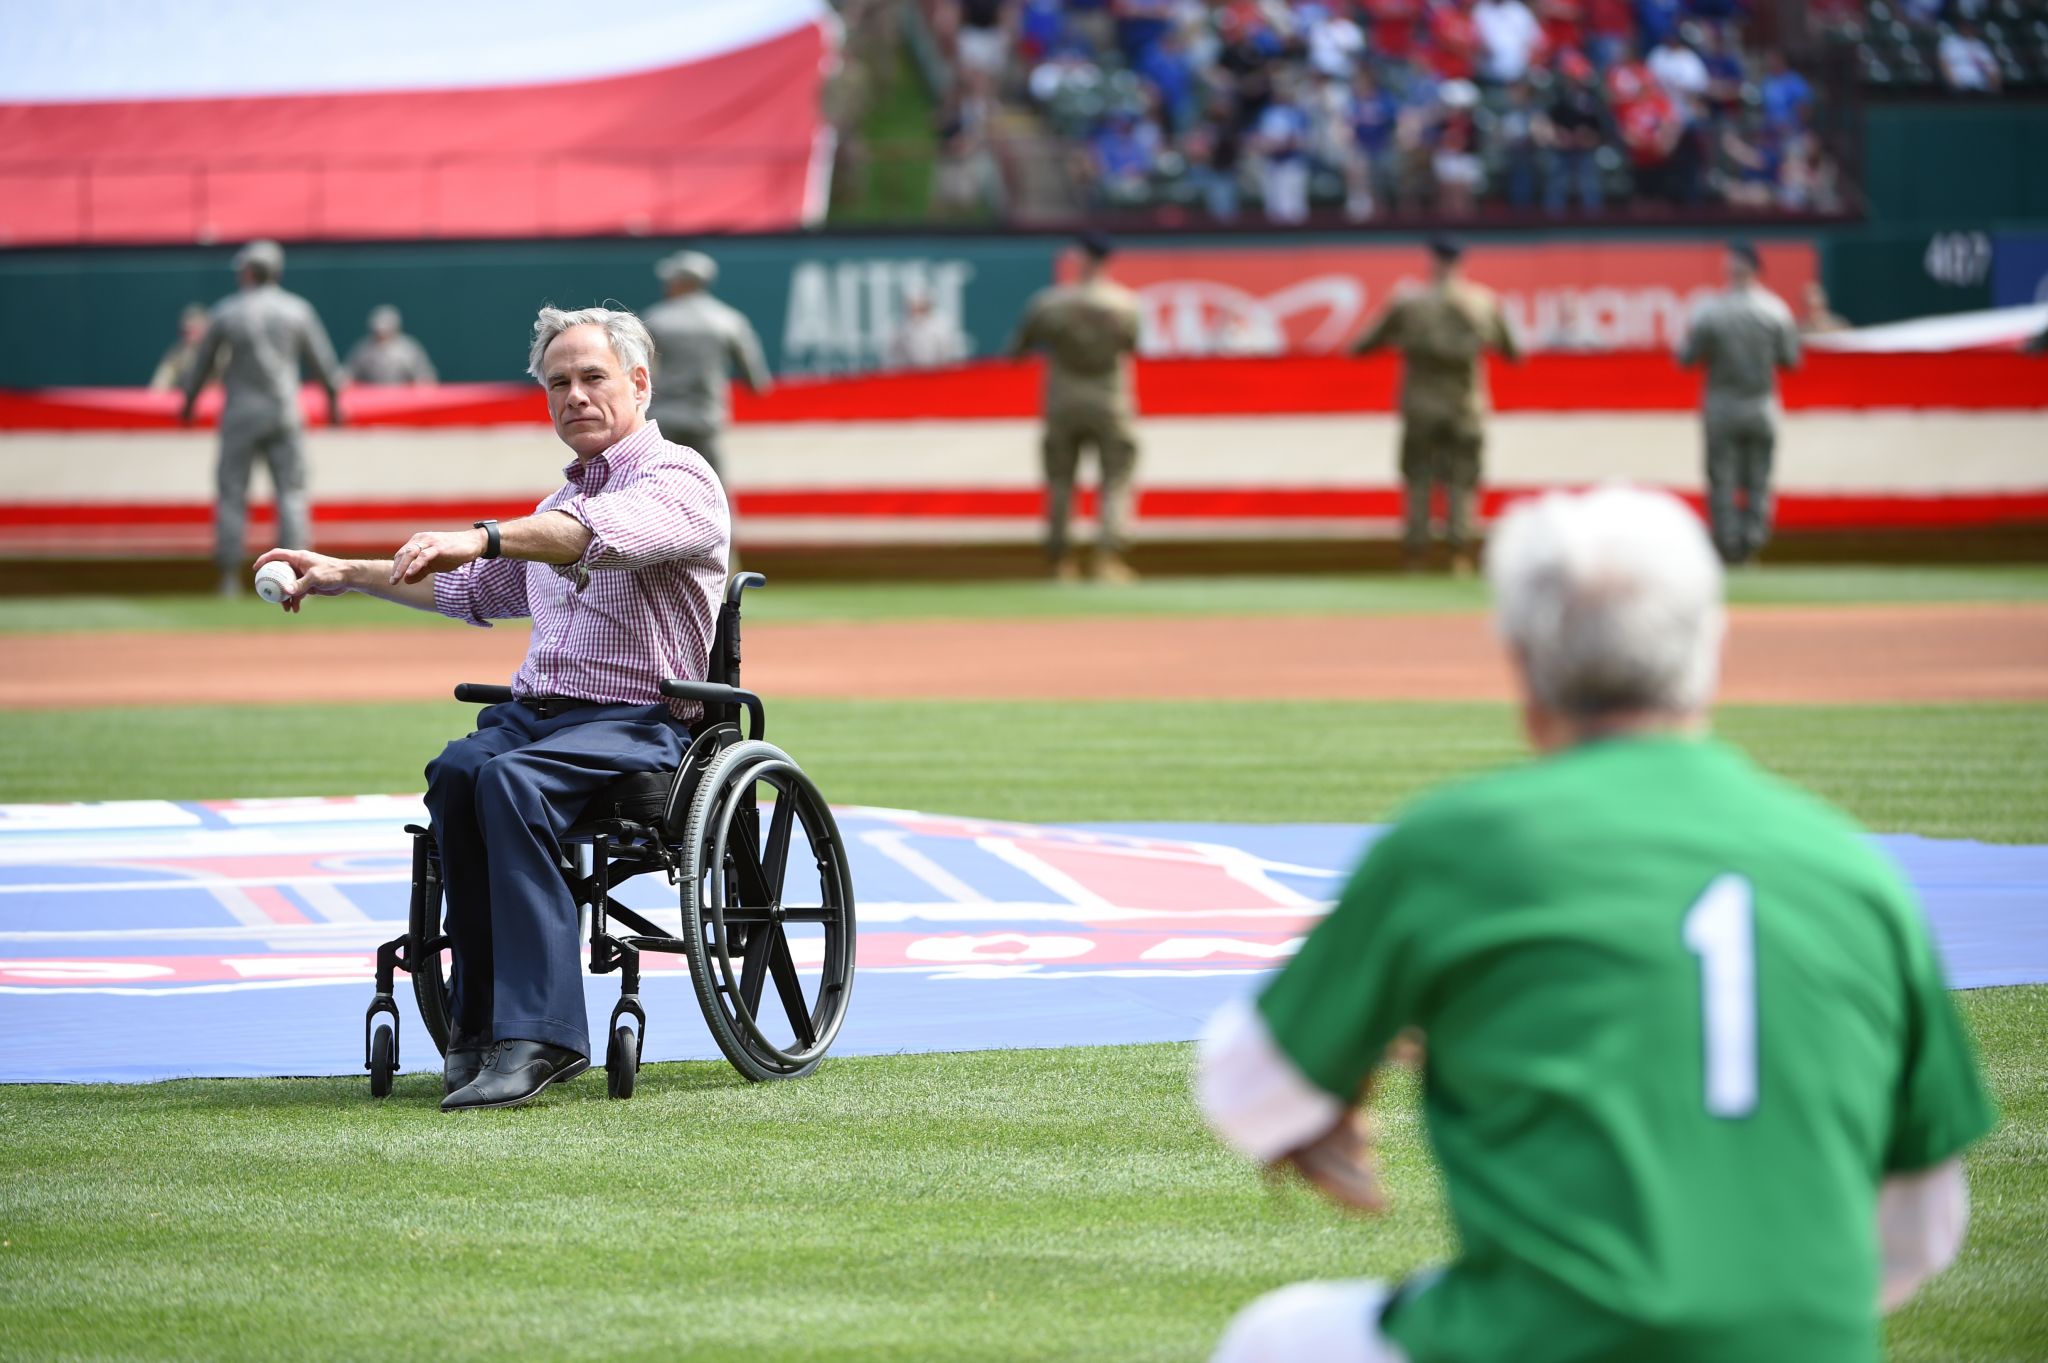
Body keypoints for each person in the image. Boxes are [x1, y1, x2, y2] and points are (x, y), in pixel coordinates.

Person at [1198, 483, 1996, 1363]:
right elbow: (1921, 1234)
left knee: (1272, 1339)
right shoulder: (1856, 874)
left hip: (1544, 1341)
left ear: (1522, 660)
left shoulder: (1458, 845)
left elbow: (1245, 1090)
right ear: (1709, 646)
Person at [252, 306, 730, 1112]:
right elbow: (468, 587)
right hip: (540, 717)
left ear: (639, 383)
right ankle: (476, 1026)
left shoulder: (679, 479)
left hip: (640, 721)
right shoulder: (554, 504)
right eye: (558, 384)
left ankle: (543, 1036)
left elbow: (589, 537)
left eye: (593, 378)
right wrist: (345, 571)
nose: (574, 396)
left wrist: (480, 534)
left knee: (511, 781)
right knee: (461, 770)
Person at [179, 240, 343, 598]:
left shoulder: (226, 311)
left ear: (248, 272)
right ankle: (300, 578)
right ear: (277, 272)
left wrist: (188, 404)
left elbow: (201, 364)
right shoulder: (297, 310)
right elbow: (324, 364)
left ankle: (227, 579)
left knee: (232, 493)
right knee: (292, 493)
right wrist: (333, 404)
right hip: (284, 411)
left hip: (240, 414)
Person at [1348, 236, 1520, 574]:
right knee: (1463, 480)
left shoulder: (1409, 304)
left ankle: (1416, 555)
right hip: (1465, 405)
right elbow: (1513, 354)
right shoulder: (1482, 302)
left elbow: (1361, 347)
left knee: (1419, 479)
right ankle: (1458, 555)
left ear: (1431, 261)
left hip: (1420, 406)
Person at [1008, 232, 1143, 583]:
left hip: (1062, 399)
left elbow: (1017, 351)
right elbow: (1135, 346)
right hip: (1111, 399)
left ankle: (1059, 561)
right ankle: (1107, 557)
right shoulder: (1126, 304)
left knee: (1060, 482)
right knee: (1115, 480)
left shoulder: (1049, 303)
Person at [1677, 240, 1801, 565]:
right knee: (1759, 479)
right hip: (1762, 407)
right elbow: (1791, 360)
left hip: (1721, 408)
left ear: (1729, 270)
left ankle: (1728, 547)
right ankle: (1753, 542)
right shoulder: (1776, 311)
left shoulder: (1711, 311)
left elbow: (1687, 358)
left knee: (1723, 480)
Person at [641, 249, 771, 542]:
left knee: (654, 490)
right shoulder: (729, 320)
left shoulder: (656, 320)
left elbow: (638, 377)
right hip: (706, 418)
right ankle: (725, 558)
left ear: (681, 282)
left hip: (662, 422)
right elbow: (758, 382)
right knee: (716, 492)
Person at [344, 306, 438, 385]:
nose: (381, 335)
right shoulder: (363, 349)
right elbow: (348, 374)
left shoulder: (408, 349)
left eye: (386, 331)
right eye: (377, 332)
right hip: (372, 400)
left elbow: (425, 375)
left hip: (403, 400)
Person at [149, 303, 219, 392]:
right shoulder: (177, 355)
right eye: (186, 332)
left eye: (194, 330)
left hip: (221, 402)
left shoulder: (221, 352)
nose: (190, 336)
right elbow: (159, 386)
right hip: (189, 401)